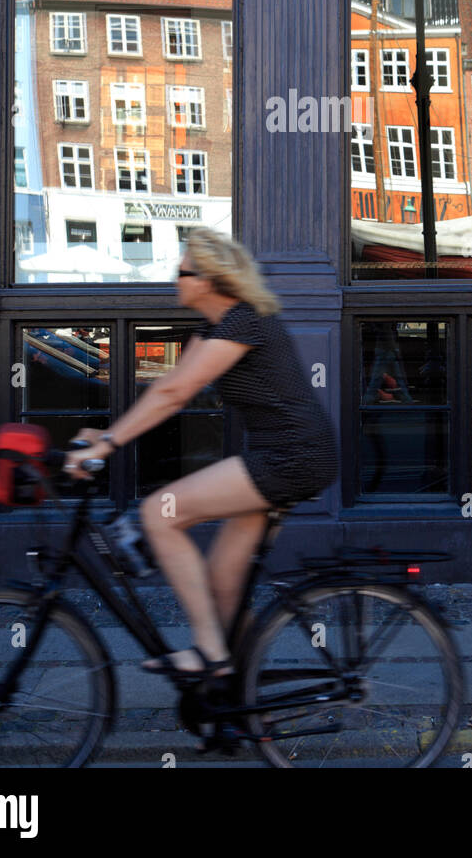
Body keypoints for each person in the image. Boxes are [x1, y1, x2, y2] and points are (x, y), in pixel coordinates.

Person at [64, 228, 338, 682]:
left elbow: (176, 393)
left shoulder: (243, 321)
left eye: (182, 272)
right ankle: (247, 705)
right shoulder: (214, 326)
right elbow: (169, 386)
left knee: (159, 513)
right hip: (283, 455)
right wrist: (106, 433)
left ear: (206, 280)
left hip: (292, 457)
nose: (175, 279)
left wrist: (109, 445)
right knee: (223, 584)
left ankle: (210, 652)